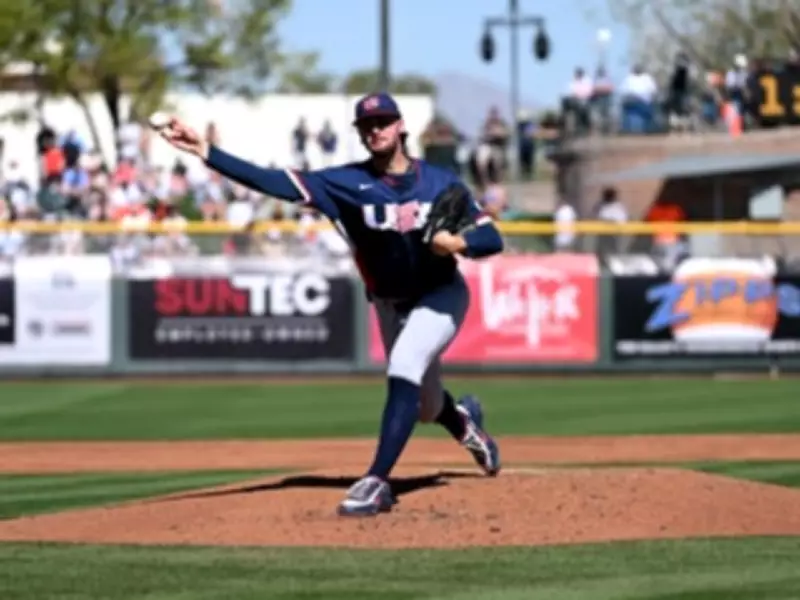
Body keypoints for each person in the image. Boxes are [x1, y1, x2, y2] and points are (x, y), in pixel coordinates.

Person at [156, 93, 503, 517]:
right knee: (427, 406)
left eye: (384, 121)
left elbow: (492, 238)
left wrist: (459, 242)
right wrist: (205, 151)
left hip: (441, 294)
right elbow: (272, 181)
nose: (376, 129)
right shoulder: (342, 184)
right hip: (390, 303)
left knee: (405, 364)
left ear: (400, 127)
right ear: (360, 134)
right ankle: (466, 422)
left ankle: (376, 480)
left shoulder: (440, 182)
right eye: (367, 124)